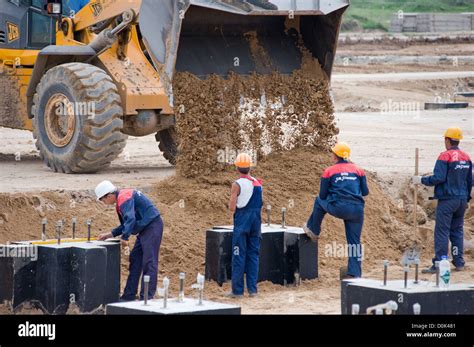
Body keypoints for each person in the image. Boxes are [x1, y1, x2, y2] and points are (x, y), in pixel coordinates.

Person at [304, 143, 369, 278]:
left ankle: (313, 229)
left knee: (318, 201)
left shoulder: (329, 171)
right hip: (357, 210)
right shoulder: (359, 170)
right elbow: (365, 192)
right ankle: (354, 273)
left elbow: (322, 195)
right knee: (354, 242)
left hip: (339, 207)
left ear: (336, 156)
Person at [412, 127, 472, 273]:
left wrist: (421, 180)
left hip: (447, 200)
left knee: (442, 231)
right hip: (462, 200)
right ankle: (458, 262)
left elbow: (438, 178)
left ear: (447, 140)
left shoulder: (445, 156)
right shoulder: (466, 157)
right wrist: (467, 197)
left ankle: (440, 262)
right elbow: (471, 180)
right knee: (457, 231)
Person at [96, 180, 163, 302]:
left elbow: (131, 219)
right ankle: (129, 296)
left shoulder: (124, 197)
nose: (103, 202)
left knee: (149, 261)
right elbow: (127, 223)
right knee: (135, 259)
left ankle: (146, 298)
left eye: (103, 200)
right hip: (144, 229)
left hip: (152, 226)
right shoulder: (122, 198)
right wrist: (110, 234)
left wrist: (125, 238)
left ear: (109, 195)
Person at [228, 153, 263, 298]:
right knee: (253, 255)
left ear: (237, 168)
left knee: (238, 255)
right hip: (256, 222)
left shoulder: (236, 184)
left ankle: (237, 291)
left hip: (242, 221)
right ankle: (253, 290)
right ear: (250, 167)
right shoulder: (258, 183)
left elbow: (232, 207)